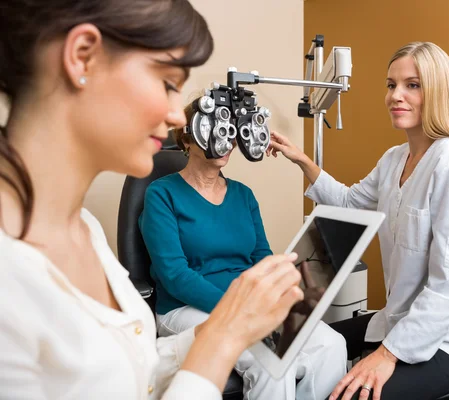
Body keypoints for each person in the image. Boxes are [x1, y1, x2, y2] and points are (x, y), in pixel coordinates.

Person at [0, 1, 306, 399]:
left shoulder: (84, 229)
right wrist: (226, 336)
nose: (180, 117)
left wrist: (228, 328)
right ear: (82, 58)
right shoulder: (12, 274)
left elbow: (125, 374)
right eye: (168, 82)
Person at [267, 41, 449, 400]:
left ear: (438, 91)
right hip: (404, 319)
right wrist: (300, 158)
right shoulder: (395, 159)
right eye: (391, 85)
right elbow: (348, 202)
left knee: (348, 394)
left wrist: (386, 354)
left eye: (413, 85)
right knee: (299, 341)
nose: (396, 96)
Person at [137, 99, 348, 400]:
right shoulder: (162, 193)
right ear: (187, 139)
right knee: (272, 363)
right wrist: (241, 310)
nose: (225, 141)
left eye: (229, 132)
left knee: (331, 344)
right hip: (185, 308)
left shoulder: (243, 195)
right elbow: (175, 275)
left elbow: (262, 257)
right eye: (212, 131)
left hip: (249, 304)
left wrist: (281, 297)